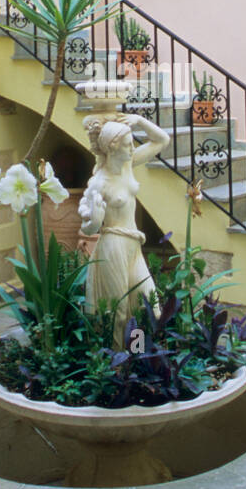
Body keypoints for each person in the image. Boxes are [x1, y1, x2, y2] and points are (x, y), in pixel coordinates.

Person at [79, 111, 170, 346]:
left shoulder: (128, 165)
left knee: (147, 304)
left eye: (132, 145)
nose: (131, 150)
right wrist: (96, 221)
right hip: (113, 247)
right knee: (118, 312)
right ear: (112, 148)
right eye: (127, 146)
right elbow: (87, 228)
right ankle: (117, 364)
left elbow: (162, 141)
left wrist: (139, 121)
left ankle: (137, 352)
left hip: (133, 246)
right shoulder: (100, 182)